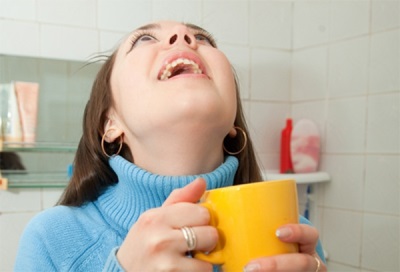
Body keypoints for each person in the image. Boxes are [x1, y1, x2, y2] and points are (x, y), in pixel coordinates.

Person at [15, 21, 326, 272]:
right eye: (144, 40)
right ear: (109, 125)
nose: (185, 37)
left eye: (203, 38)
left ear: (233, 123)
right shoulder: (51, 239)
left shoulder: (293, 233)